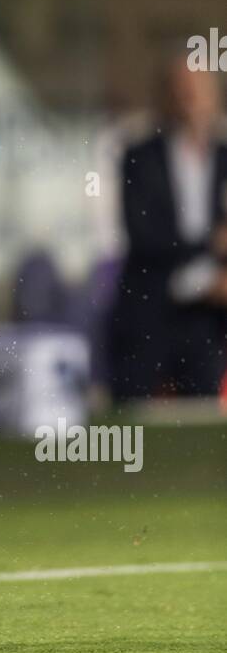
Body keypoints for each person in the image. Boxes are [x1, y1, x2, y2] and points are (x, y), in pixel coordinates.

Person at [110, 57, 227, 400]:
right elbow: (142, 234)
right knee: (134, 415)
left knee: (204, 420)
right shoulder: (140, 156)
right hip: (151, 305)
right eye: (180, 91)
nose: (188, 100)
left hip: (207, 317)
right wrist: (210, 243)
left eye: (196, 92)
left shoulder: (223, 157)